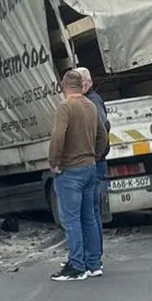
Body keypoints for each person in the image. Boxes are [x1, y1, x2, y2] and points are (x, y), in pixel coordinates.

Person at [49, 70, 108, 281]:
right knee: (90, 217)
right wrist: (96, 155)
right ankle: (94, 264)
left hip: (70, 169)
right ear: (80, 85)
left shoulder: (65, 107)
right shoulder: (91, 105)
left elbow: (58, 136)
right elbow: (103, 136)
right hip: (90, 166)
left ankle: (76, 266)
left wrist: (54, 162)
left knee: (71, 219)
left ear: (64, 86)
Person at [76, 66, 110, 262]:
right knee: (92, 211)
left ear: (87, 83)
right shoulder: (91, 100)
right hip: (95, 161)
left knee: (89, 212)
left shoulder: (91, 102)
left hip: (94, 163)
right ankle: (91, 256)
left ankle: (92, 257)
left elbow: (103, 128)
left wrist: (95, 154)